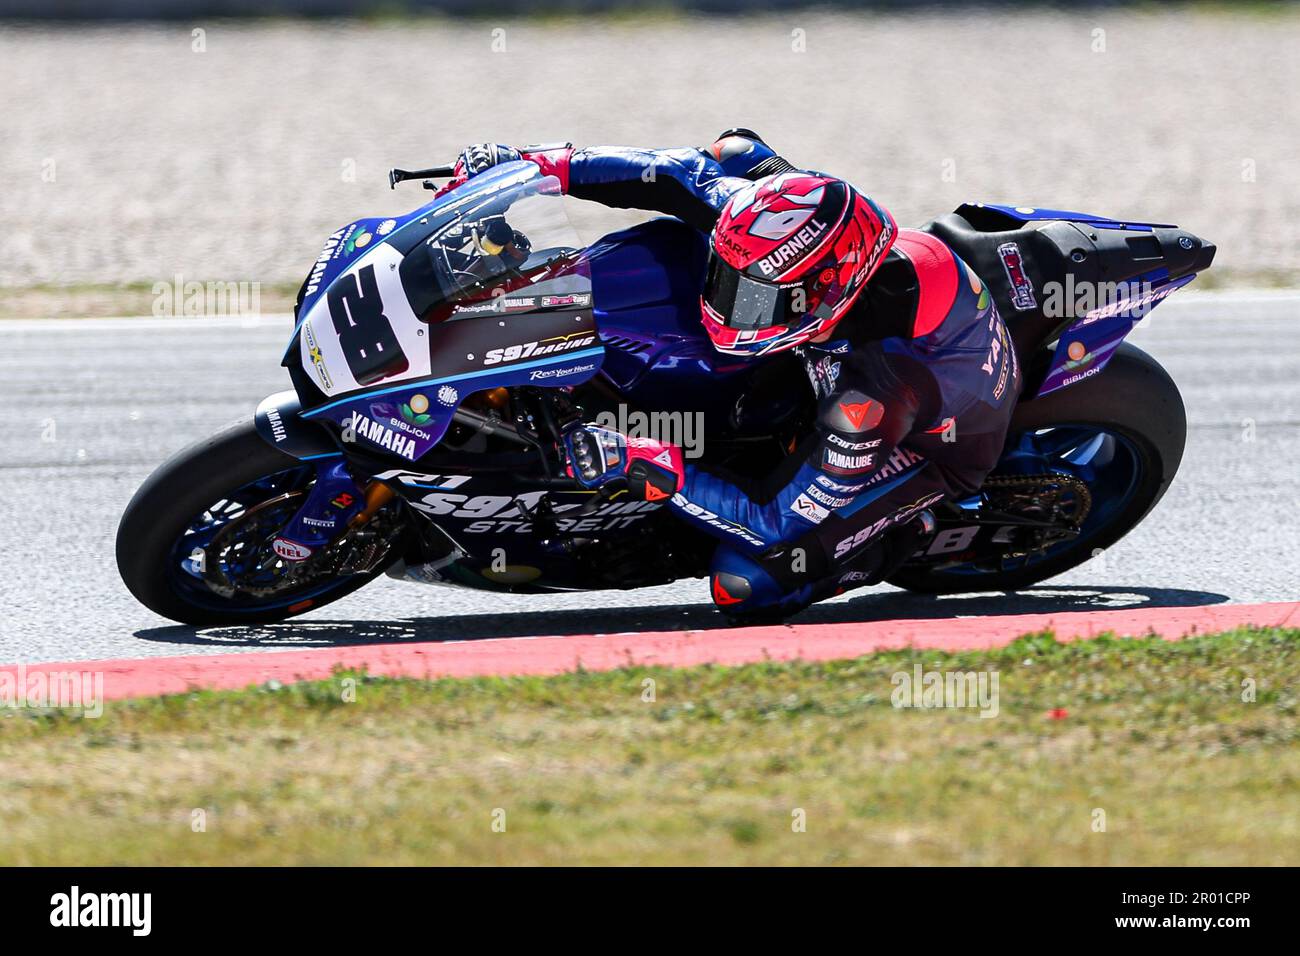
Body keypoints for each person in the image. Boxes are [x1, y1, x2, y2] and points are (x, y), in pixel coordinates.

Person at [447, 132, 1021, 620]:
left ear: (824, 295)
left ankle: (903, 534)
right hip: (861, 343)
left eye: (754, 299)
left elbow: (773, 520)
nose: (728, 308)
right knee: (734, 151)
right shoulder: (775, 227)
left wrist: (645, 461)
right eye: (729, 281)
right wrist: (531, 166)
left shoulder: (871, 396)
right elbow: (671, 173)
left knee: (748, 582)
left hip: (928, 447)